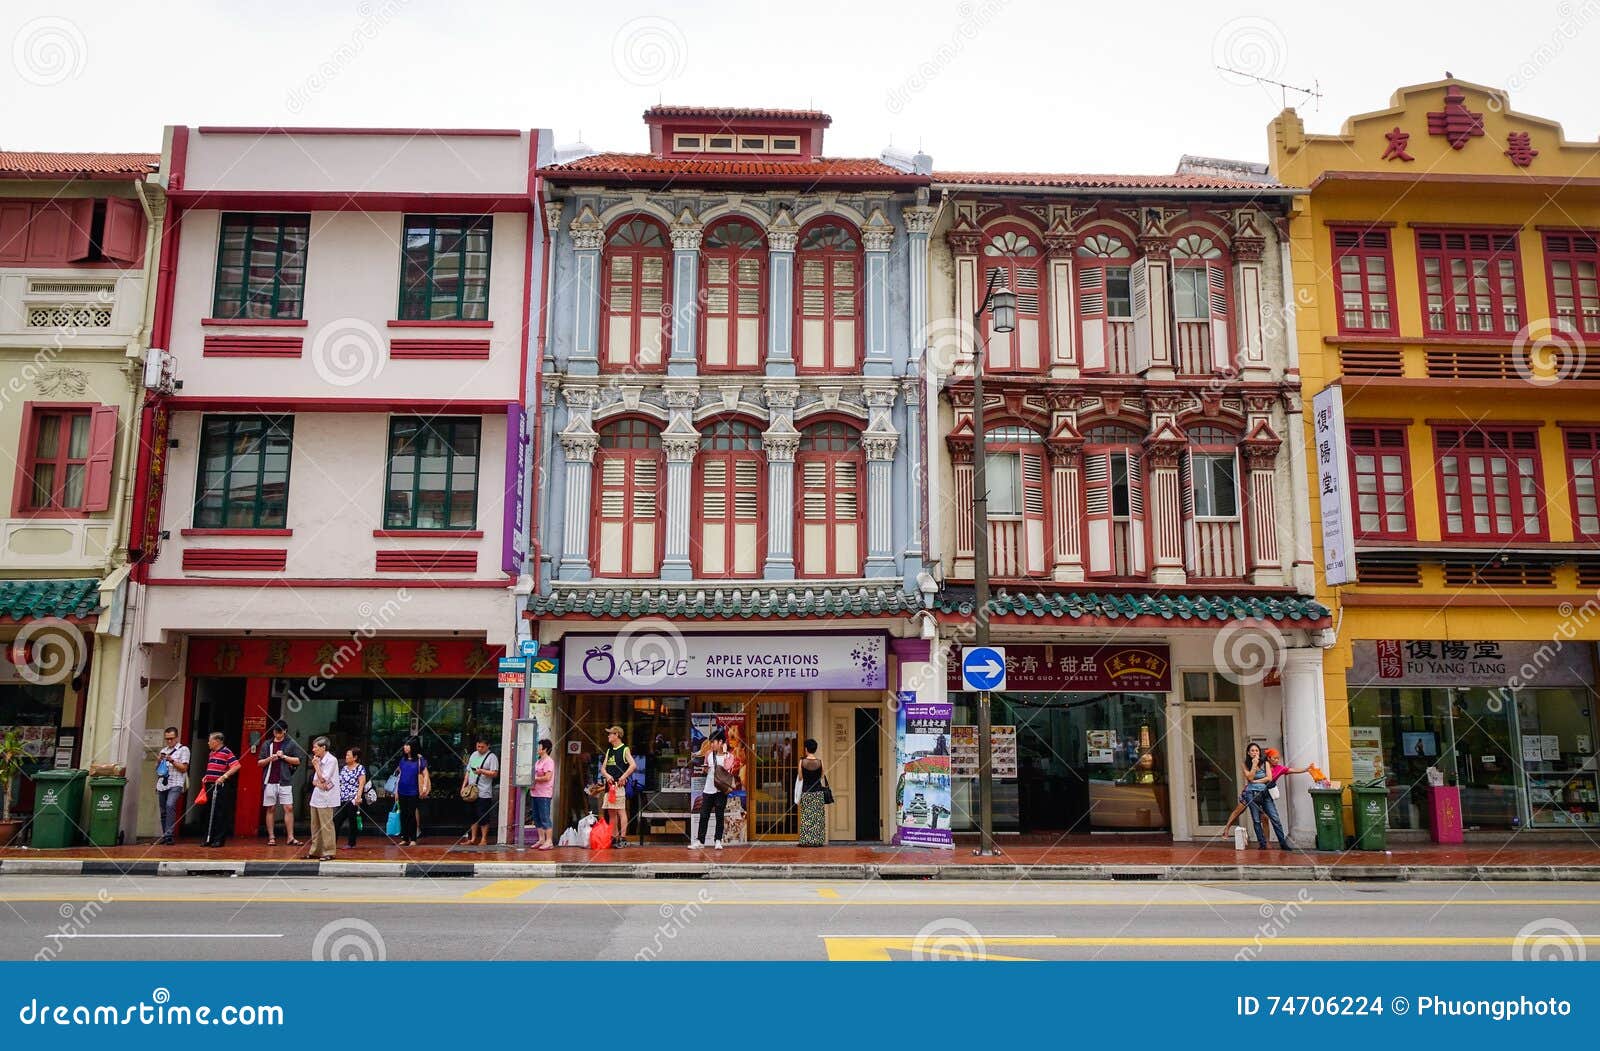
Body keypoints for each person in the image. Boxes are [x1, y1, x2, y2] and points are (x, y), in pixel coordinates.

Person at [255, 720, 304, 846]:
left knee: (288, 807)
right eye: (276, 731)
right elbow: (259, 762)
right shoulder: (267, 744)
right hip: (269, 780)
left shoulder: (290, 744)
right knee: (270, 808)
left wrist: (284, 757)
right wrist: (269, 759)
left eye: (280, 731)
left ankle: (290, 837)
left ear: (285, 731)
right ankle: (271, 837)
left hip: (284, 780)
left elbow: (298, 760)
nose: (277, 734)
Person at [1221, 743, 1271, 843]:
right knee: (1238, 810)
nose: (1254, 752)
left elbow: (1268, 778)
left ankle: (1267, 841)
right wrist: (1254, 764)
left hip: (1261, 793)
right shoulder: (1245, 764)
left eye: (1256, 750)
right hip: (1249, 792)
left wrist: (1257, 780)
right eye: (1252, 751)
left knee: (1265, 817)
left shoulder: (1265, 764)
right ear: (1248, 753)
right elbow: (1250, 778)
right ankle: (1226, 829)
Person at [690, 730, 730, 851]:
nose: (712, 744)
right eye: (711, 742)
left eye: (714, 742)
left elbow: (728, 770)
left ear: (721, 742)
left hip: (721, 790)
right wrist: (706, 769)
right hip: (708, 789)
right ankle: (700, 841)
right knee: (704, 815)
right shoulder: (708, 754)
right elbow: (706, 770)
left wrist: (725, 753)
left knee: (719, 815)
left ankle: (718, 840)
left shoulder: (729, 756)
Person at [200, 731, 240, 848]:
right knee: (208, 812)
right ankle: (208, 838)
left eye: (210, 740)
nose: (208, 743)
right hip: (210, 785)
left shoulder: (226, 752)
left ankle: (219, 839)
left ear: (217, 741)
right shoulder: (211, 753)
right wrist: (206, 776)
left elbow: (236, 765)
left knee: (220, 813)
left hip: (220, 786)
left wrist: (224, 776)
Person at [599, 726, 635, 849]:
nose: (608, 736)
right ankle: (614, 837)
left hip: (618, 786)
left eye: (610, 734)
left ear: (616, 735)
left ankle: (623, 837)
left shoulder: (625, 749)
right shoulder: (609, 751)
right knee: (611, 812)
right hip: (609, 786)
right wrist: (607, 775)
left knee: (621, 811)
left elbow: (633, 765)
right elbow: (603, 768)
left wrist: (623, 777)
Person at [461, 734, 500, 847]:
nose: (479, 749)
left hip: (484, 791)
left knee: (483, 815)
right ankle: (472, 838)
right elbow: (468, 771)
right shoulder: (473, 755)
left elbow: (494, 773)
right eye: (478, 746)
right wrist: (464, 785)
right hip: (471, 790)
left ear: (488, 746)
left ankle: (483, 838)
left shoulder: (492, 757)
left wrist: (482, 771)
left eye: (482, 747)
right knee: (472, 815)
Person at [305, 736, 339, 860]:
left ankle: (329, 851)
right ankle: (315, 850)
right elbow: (315, 782)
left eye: (315, 747)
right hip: (317, 796)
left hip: (327, 798)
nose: (313, 750)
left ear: (323, 747)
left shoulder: (331, 760)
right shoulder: (319, 760)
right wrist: (320, 782)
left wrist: (316, 766)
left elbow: (323, 778)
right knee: (315, 825)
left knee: (326, 825)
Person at [154, 726, 190, 845]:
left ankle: (169, 834)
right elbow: (158, 770)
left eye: (171, 738)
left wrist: (172, 761)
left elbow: (184, 768)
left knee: (170, 805)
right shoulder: (163, 750)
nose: (169, 741)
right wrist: (159, 761)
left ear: (176, 737)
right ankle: (165, 835)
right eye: (167, 739)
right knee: (163, 810)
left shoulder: (183, 750)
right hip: (162, 784)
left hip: (176, 783)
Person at [393, 738, 429, 847]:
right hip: (402, 790)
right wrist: (396, 791)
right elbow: (400, 776)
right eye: (405, 745)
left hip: (413, 791)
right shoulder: (402, 760)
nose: (405, 747)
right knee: (403, 814)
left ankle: (413, 838)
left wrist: (424, 787)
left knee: (411, 814)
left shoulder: (419, 760)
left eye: (408, 745)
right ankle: (405, 838)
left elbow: (426, 774)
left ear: (413, 747)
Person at [335, 747, 369, 850]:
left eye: (348, 755)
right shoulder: (344, 768)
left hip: (353, 799)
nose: (346, 757)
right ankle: (332, 842)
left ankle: (351, 842)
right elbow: (340, 782)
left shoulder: (360, 768)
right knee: (337, 820)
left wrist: (358, 797)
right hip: (343, 798)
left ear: (355, 757)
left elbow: (361, 784)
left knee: (352, 820)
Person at [797, 738, 828, 847]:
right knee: (817, 817)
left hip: (806, 791)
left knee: (806, 816)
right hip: (818, 792)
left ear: (806, 749)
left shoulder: (802, 762)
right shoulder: (820, 762)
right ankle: (817, 841)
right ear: (815, 749)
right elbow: (821, 776)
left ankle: (806, 841)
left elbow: (800, 777)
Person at [529, 738, 555, 850]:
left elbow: (547, 777)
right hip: (535, 792)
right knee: (536, 816)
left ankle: (549, 841)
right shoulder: (538, 761)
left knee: (545, 816)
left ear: (545, 749)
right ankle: (541, 839)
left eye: (539, 747)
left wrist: (534, 779)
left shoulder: (549, 761)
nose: (538, 749)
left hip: (544, 793)